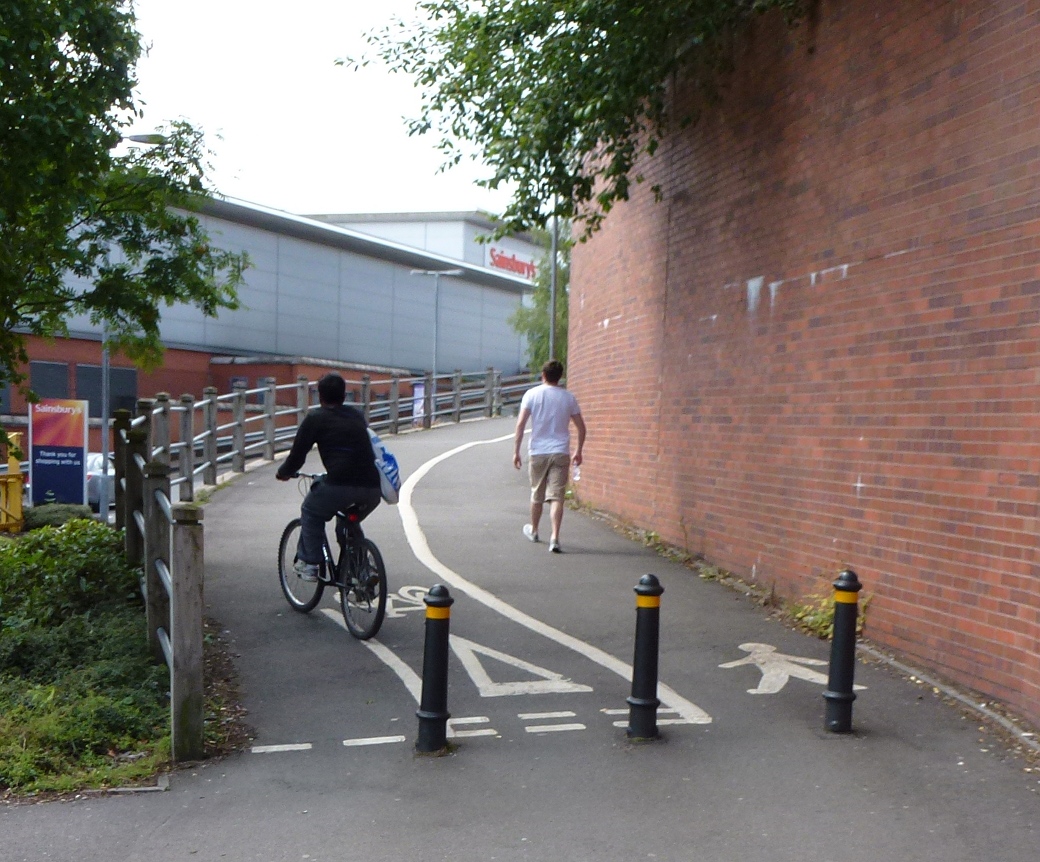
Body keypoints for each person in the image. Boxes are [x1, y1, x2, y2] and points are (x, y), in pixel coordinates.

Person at [276, 373, 381, 580]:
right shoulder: (356, 415)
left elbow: (297, 457)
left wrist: (284, 473)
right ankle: (363, 570)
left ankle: (311, 564)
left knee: (311, 510)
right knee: (348, 521)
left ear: (319, 396)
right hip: (372, 488)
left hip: (340, 484)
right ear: (344, 395)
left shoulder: (316, 418)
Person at [512, 359, 586, 553]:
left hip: (538, 451)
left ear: (543, 375)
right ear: (560, 377)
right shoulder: (569, 398)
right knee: (557, 497)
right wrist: (578, 450)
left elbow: (520, 425)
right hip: (561, 451)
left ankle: (535, 531)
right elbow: (581, 427)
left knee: (537, 493)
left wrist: (516, 451)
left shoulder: (532, 395)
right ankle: (555, 537)